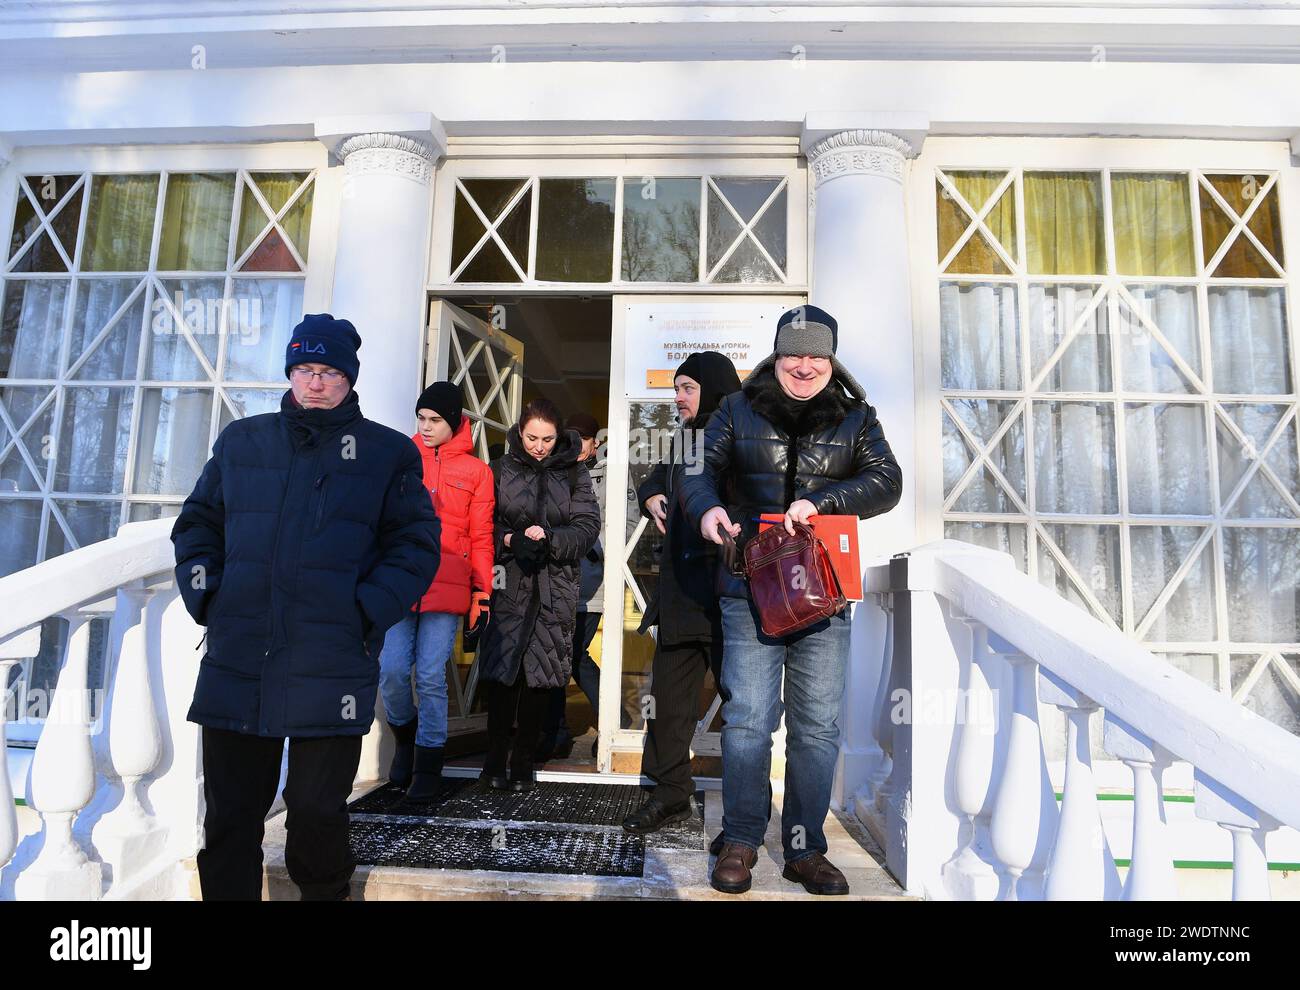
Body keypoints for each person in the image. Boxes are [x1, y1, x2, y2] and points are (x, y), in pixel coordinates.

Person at [171, 313, 440, 901]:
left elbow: (416, 546)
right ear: (290, 372)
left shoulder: (386, 453)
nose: (315, 383)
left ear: (349, 378)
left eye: (328, 371)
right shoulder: (244, 442)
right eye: (304, 369)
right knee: (230, 819)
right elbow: (197, 524)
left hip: (332, 661)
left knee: (317, 815)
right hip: (240, 657)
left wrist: (364, 610)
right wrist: (207, 594)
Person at [682, 305, 902, 896]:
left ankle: (805, 847)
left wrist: (826, 501)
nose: (804, 366)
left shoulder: (858, 418)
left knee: (816, 727)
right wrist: (707, 510)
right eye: (793, 354)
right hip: (748, 587)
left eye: (816, 355)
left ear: (830, 359)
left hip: (824, 591)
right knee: (750, 720)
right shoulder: (735, 408)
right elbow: (696, 470)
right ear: (776, 356)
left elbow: (887, 481)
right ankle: (743, 839)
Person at [622, 351, 741, 836]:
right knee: (669, 703)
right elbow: (659, 475)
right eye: (676, 388)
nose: (677, 398)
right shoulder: (684, 439)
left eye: (687, 387)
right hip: (680, 595)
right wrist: (649, 490)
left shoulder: (741, 433)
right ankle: (671, 793)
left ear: (711, 387)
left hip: (731, 597)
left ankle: (744, 810)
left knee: (743, 710)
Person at [476, 398, 601, 791]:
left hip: (555, 584)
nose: (539, 446)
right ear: (520, 431)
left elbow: (586, 528)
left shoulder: (575, 473)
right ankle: (494, 760)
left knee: (541, 676)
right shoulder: (500, 469)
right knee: (501, 673)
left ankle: (524, 763)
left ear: (559, 436)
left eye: (547, 439)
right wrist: (511, 539)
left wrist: (551, 539)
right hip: (508, 583)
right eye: (532, 437)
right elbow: (482, 524)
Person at [378, 381, 494, 800]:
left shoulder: (478, 472)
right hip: (400, 582)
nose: (425, 427)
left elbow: (482, 537)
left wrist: (482, 594)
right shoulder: (399, 458)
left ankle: (429, 762)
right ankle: (405, 738)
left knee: (430, 674)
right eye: (421, 418)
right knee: (391, 670)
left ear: (455, 422)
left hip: (448, 586)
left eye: (435, 420)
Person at [537, 411, 604, 760]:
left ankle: (612, 723)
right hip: (554, 578)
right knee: (555, 655)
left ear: (597, 441)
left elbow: (626, 523)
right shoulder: (554, 468)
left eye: (585, 437)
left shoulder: (611, 471)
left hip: (590, 582)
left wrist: (584, 546)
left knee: (574, 655)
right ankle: (557, 733)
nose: (577, 444)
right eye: (572, 435)